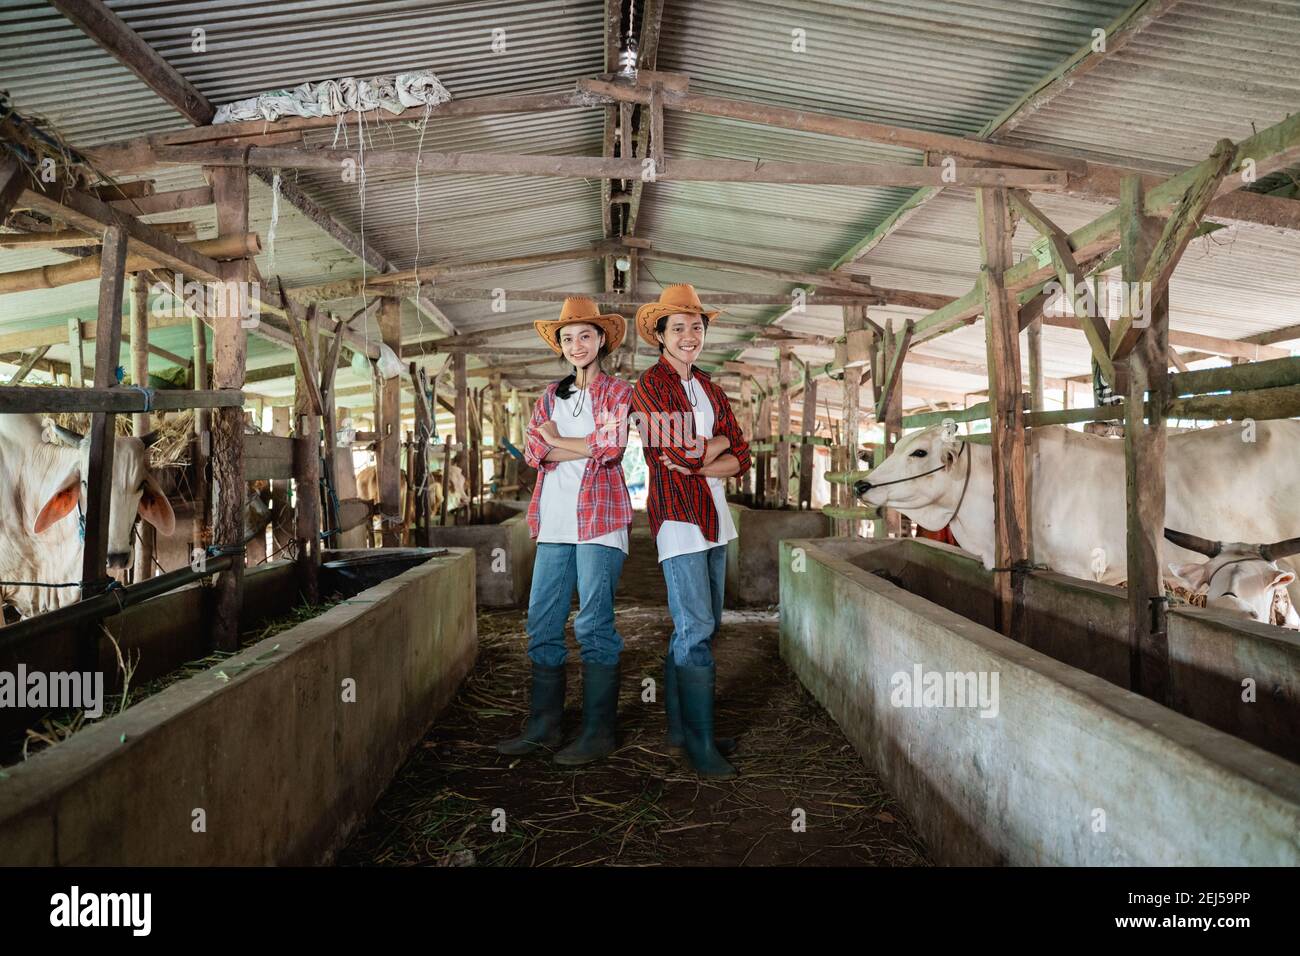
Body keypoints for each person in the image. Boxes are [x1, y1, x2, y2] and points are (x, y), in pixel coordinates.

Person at [496, 297, 634, 766]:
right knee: (542, 624)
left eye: (586, 336)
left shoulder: (618, 393)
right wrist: (575, 445)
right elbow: (534, 455)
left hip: (600, 521)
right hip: (553, 522)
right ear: (560, 345)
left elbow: (612, 448)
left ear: (601, 341)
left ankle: (598, 732)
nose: (577, 345)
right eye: (568, 338)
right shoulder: (547, 397)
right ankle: (544, 725)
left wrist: (559, 440)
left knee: (594, 623)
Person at [631, 284, 750, 780]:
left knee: (705, 624)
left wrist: (708, 457)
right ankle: (699, 743)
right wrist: (712, 451)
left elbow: (742, 452)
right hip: (678, 519)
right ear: (659, 334)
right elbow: (673, 456)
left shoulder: (710, 387)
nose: (689, 336)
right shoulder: (649, 386)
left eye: (696, 327)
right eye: (678, 327)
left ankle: (684, 727)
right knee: (696, 626)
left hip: (715, 516)